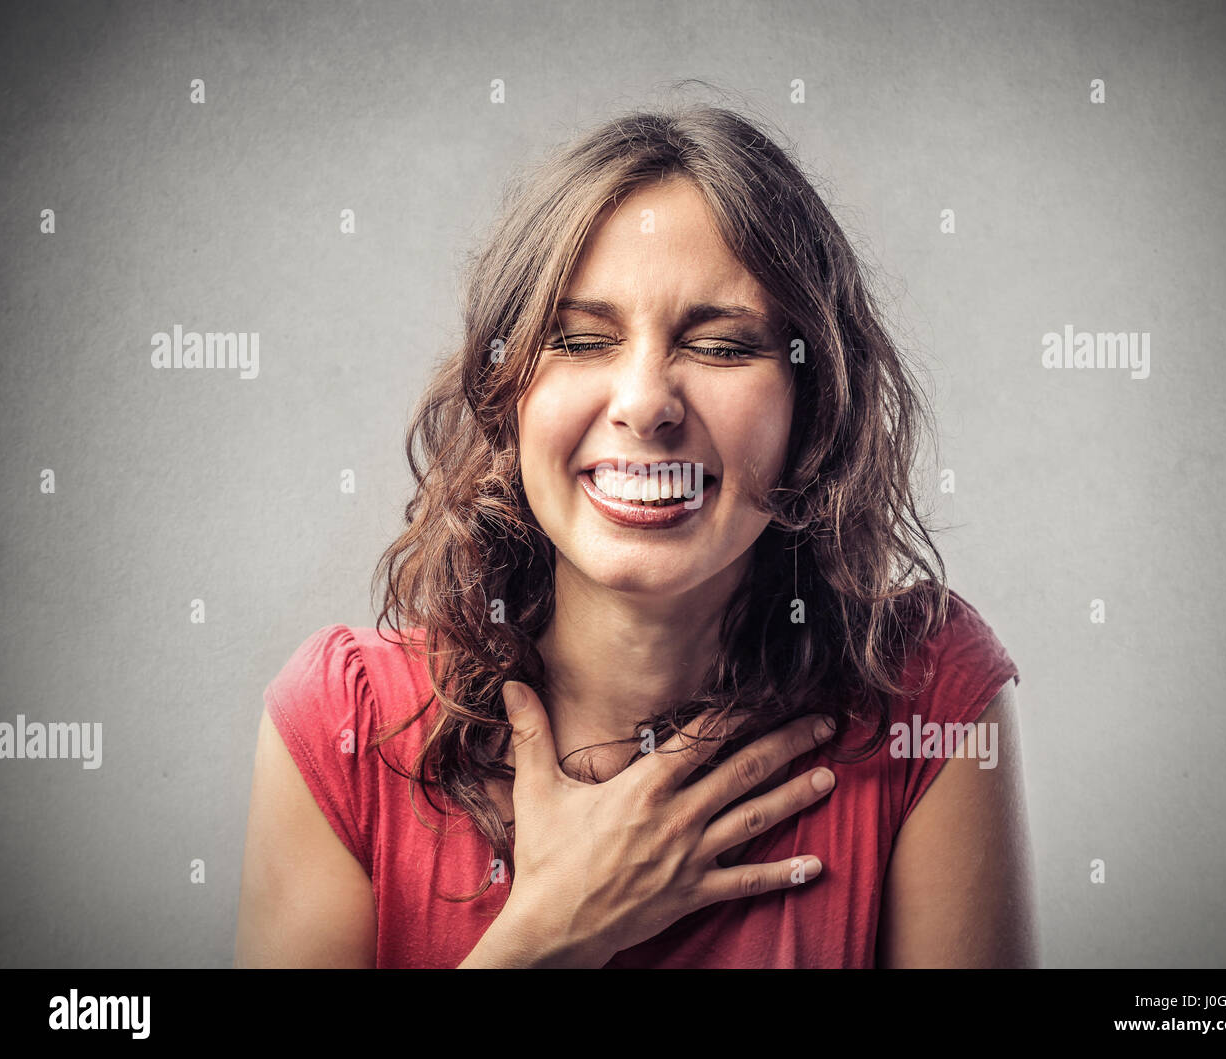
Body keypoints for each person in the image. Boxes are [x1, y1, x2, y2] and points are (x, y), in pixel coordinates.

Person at [235, 103, 1039, 968]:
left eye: (724, 347)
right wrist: (551, 933)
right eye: (582, 341)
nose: (646, 404)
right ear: (507, 397)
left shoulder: (927, 698)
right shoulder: (342, 726)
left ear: (814, 409)